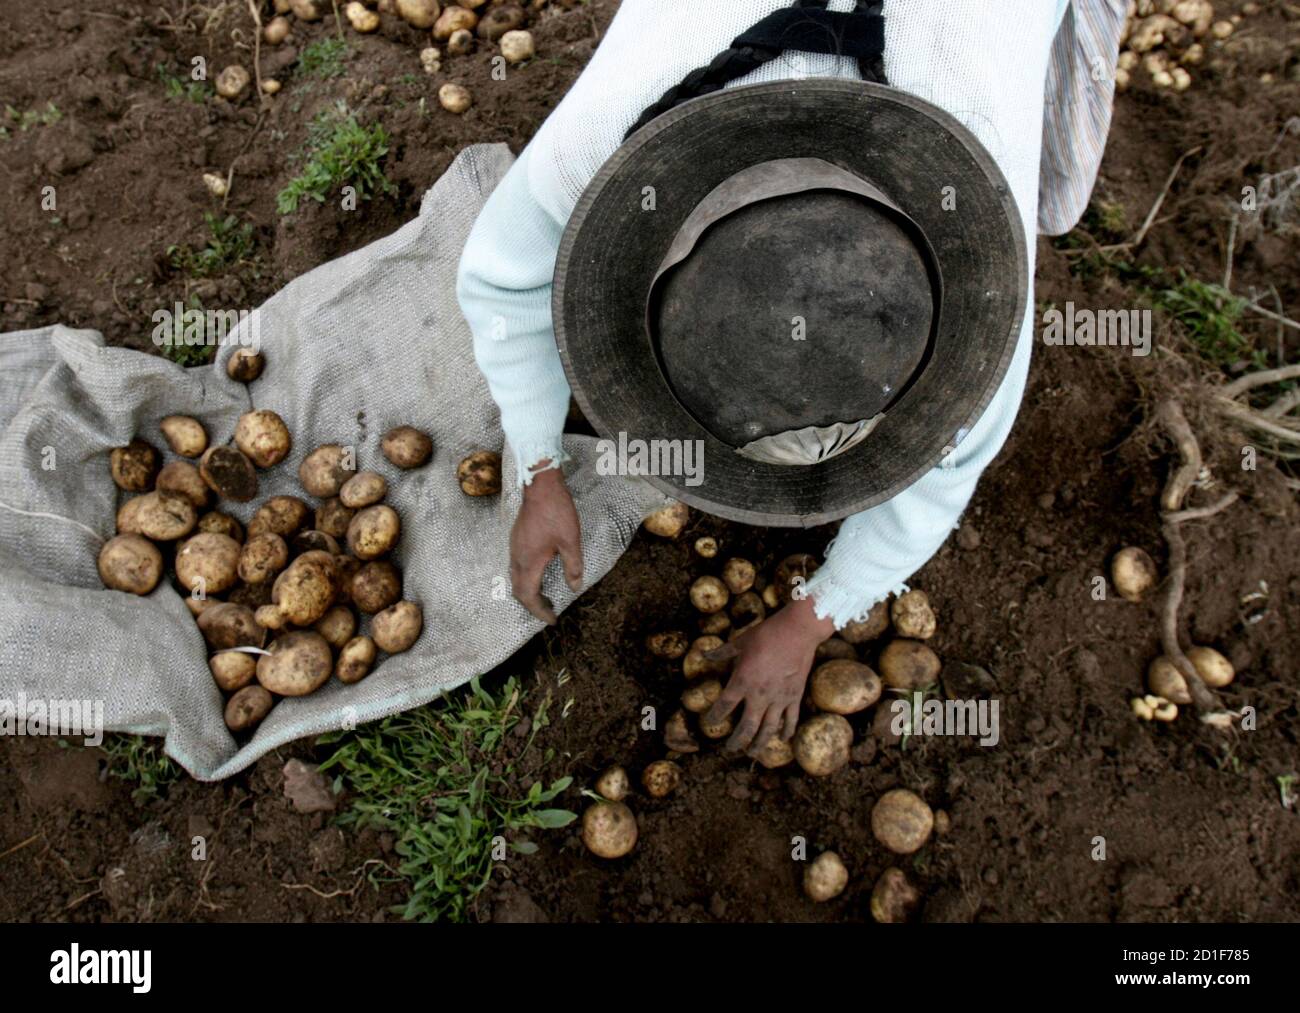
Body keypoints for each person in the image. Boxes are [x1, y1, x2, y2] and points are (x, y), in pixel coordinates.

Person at [457, 0, 1127, 755]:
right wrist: (538, 465)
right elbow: (499, 284)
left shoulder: (990, 229)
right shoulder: (594, 148)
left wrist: (811, 618)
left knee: (1058, 172)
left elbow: (949, 468)